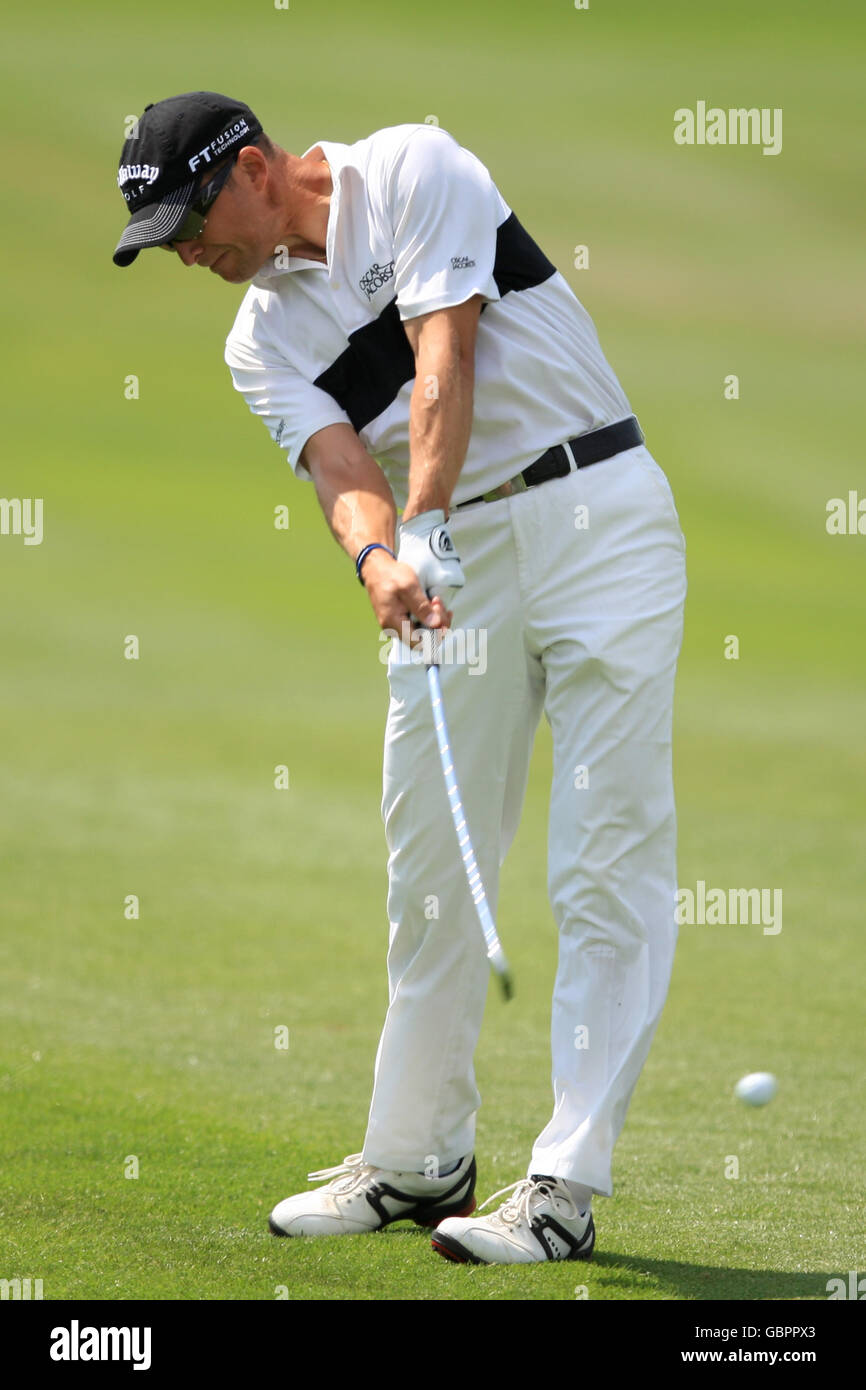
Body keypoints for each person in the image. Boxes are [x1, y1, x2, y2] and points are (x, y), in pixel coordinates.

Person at [113, 90, 687, 1266]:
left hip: (595, 515)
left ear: (257, 170)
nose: (184, 253)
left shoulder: (414, 170)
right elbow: (338, 463)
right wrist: (381, 557)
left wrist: (419, 526)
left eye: (188, 220)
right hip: (447, 562)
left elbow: (445, 353)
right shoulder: (255, 337)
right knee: (428, 857)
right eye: (163, 238)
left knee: (603, 856)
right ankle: (418, 1155)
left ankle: (562, 1188)